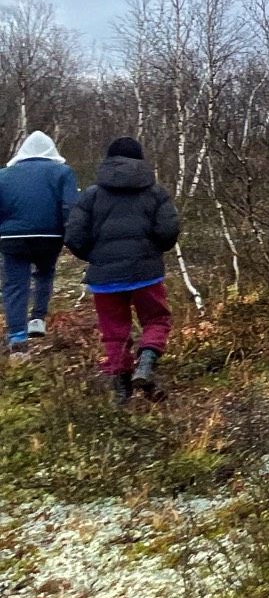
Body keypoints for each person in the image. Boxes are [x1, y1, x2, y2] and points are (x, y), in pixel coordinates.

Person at [64, 137, 180, 407]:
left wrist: (95, 258)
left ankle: (121, 392)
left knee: (114, 331)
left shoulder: (91, 194)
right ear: (141, 160)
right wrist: (155, 250)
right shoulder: (156, 193)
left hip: (105, 278)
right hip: (145, 272)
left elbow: (74, 236)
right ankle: (146, 364)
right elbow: (168, 231)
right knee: (156, 319)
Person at [0, 131, 78, 353]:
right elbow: (69, 205)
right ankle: (37, 319)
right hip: (49, 235)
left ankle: (17, 337)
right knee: (45, 273)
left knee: (15, 286)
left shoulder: (3, 175)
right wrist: (70, 235)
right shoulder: (63, 172)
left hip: (11, 238)